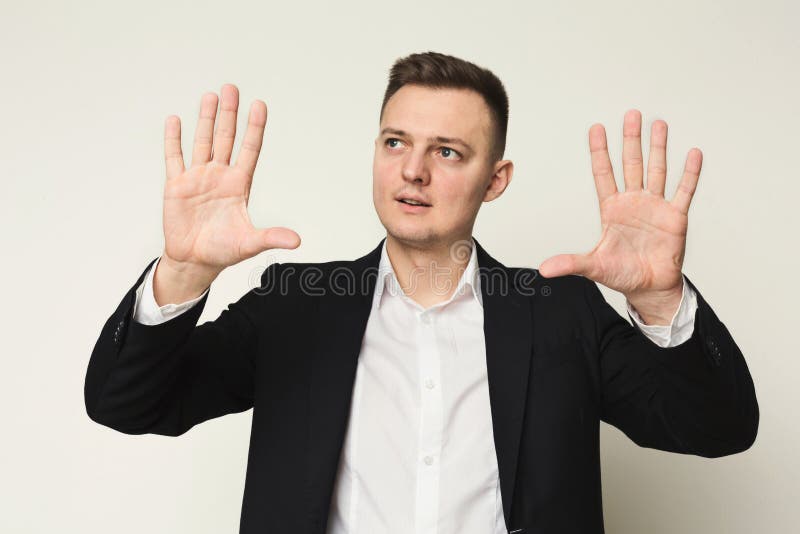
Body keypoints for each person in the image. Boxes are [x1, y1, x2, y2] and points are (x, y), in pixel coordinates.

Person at [84, 51, 759, 534]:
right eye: (395, 141)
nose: (411, 169)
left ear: (495, 180)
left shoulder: (562, 315)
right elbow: (126, 401)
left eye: (447, 152)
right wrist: (183, 273)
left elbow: (719, 429)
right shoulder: (295, 307)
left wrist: (660, 299)